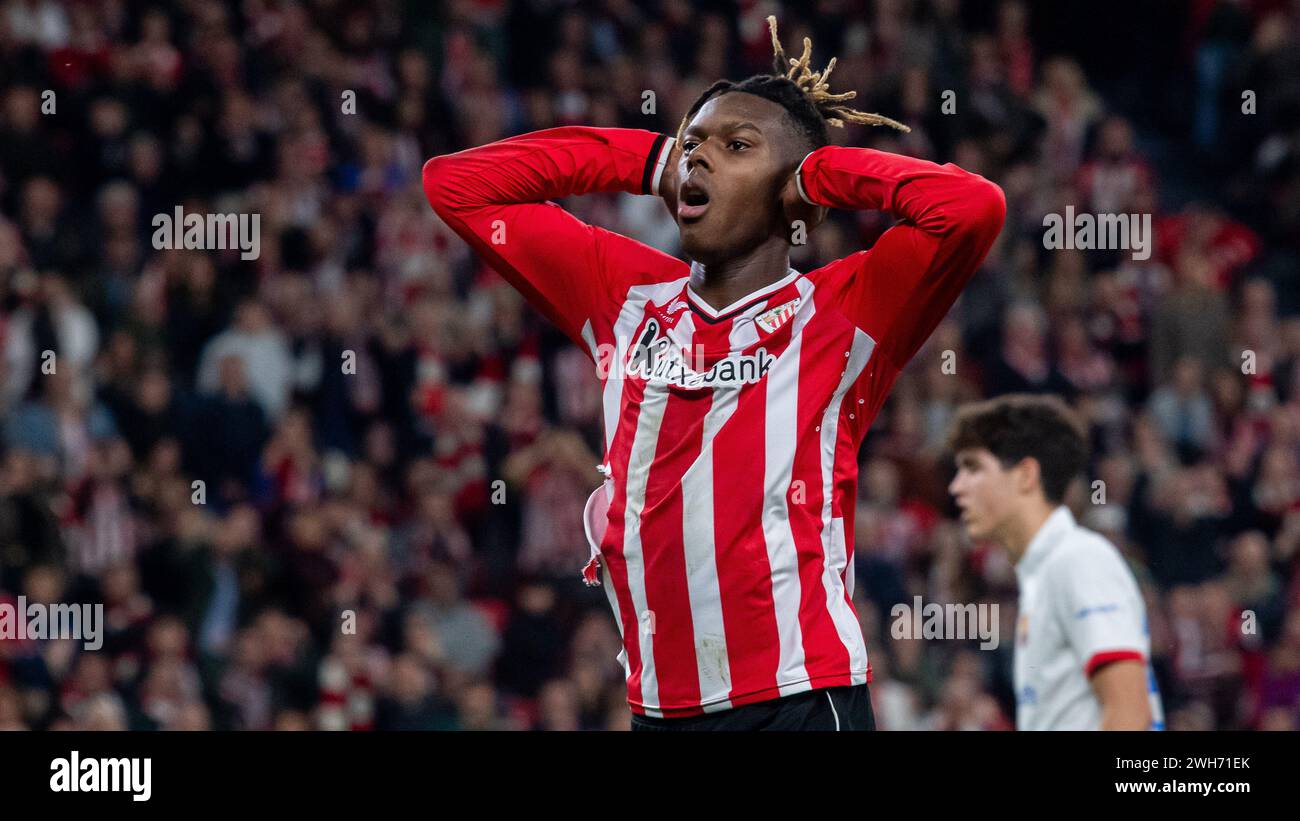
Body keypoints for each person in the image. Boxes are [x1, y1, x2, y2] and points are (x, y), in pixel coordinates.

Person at [424, 17, 1004, 730]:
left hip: (793, 698)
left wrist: (821, 174)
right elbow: (456, 184)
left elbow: (972, 208)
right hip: (658, 709)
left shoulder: (844, 310)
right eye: (693, 143)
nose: (699, 160)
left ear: (793, 194)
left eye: (737, 147)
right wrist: (645, 160)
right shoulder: (623, 292)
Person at [946, 393, 1164, 730]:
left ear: (1025, 475)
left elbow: (1130, 716)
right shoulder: (1044, 573)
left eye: (973, 467)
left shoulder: (1077, 560)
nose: (956, 487)